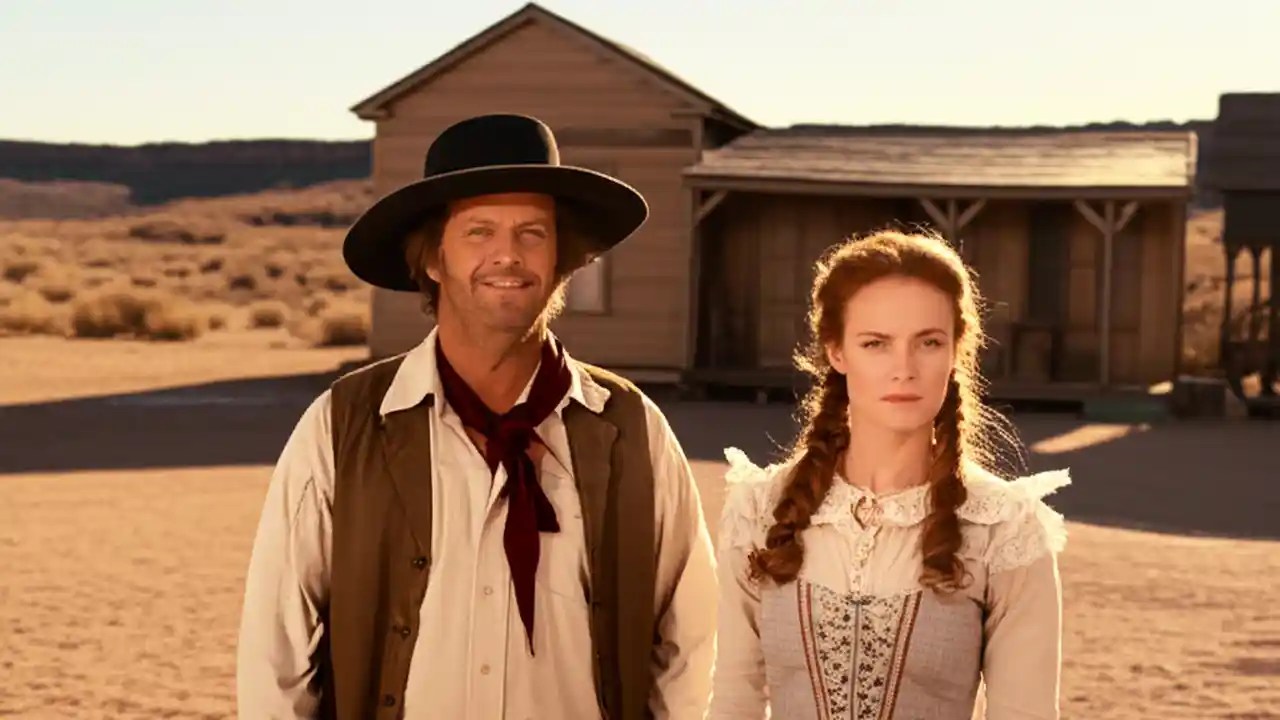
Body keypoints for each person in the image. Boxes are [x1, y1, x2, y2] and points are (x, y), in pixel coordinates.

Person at [235, 113, 718, 719]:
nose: (508, 256)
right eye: (479, 232)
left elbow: (694, 641)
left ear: (561, 257)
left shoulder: (629, 428)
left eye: (533, 233)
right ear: (433, 258)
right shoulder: (344, 424)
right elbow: (275, 647)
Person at [708, 229, 1070, 719]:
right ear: (838, 353)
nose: (904, 368)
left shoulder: (1004, 530)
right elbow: (732, 701)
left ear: (955, 352)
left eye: (928, 342)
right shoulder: (760, 510)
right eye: (876, 343)